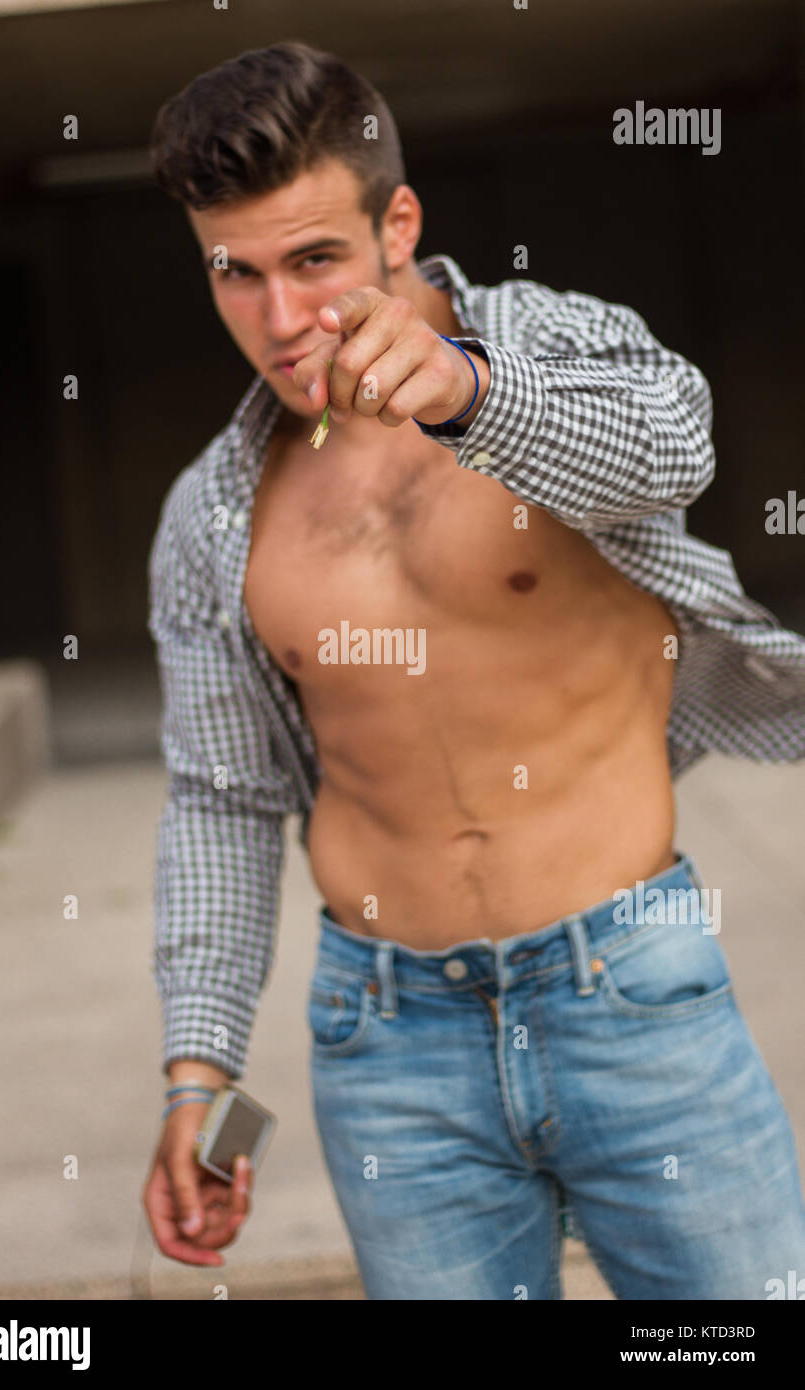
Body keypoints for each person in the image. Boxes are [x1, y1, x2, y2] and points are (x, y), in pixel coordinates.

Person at [140, 40, 805, 1297]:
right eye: (237, 273)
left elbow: (675, 443)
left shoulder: (554, 340)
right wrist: (199, 1070)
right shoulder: (212, 511)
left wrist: (469, 395)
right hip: (386, 1040)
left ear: (397, 222)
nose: (280, 320)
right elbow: (222, 798)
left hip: (630, 992)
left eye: (314, 261)